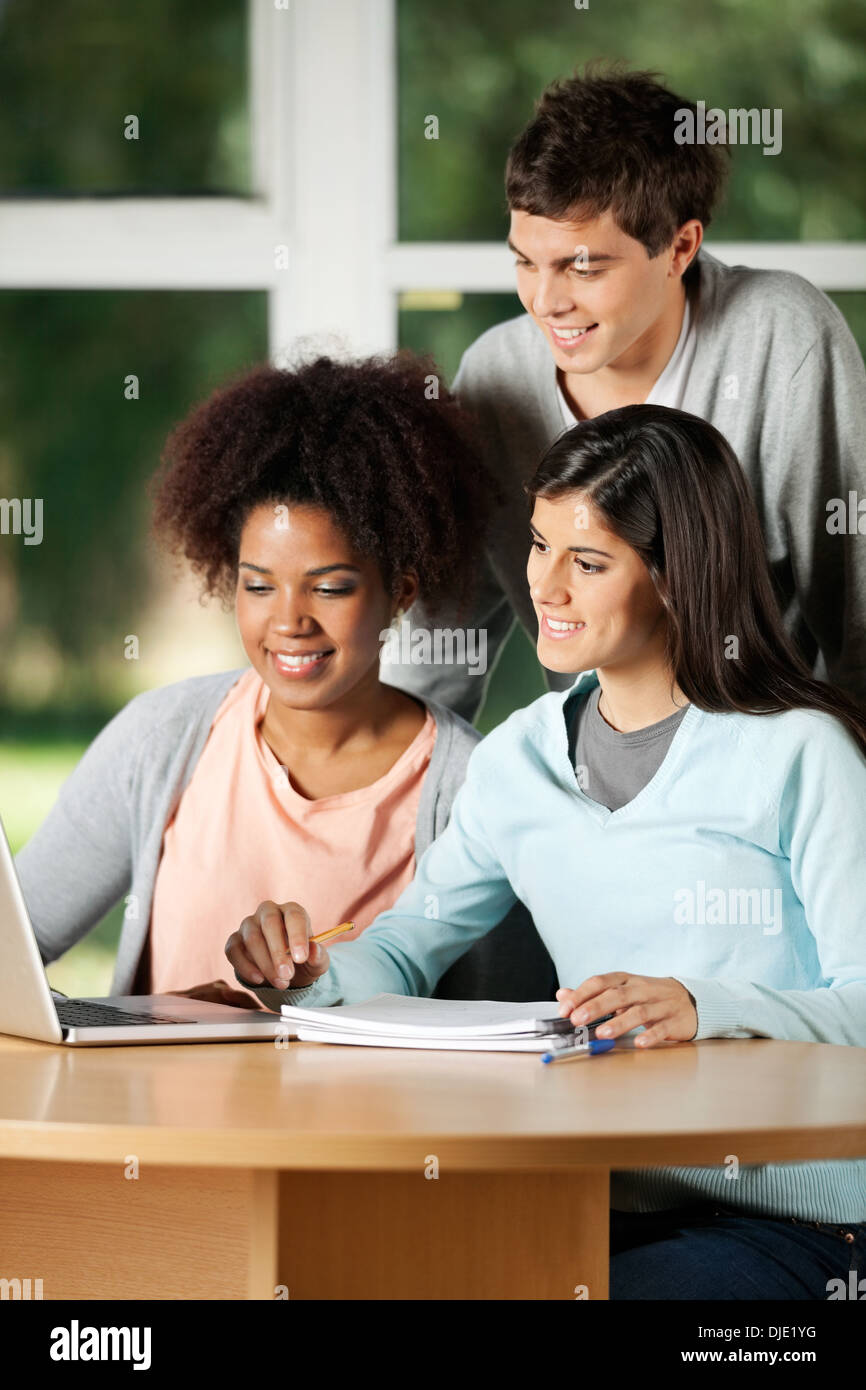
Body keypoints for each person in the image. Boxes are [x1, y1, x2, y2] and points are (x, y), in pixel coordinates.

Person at [227, 404, 866, 1299]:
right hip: (588, 1196)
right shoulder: (517, 761)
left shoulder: (802, 753)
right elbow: (409, 947)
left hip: (802, 1228)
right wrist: (304, 975)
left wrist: (702, 1005)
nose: (547, 588)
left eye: (589, 561)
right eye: (538, 546)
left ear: (678, 574)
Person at [15, 351, 557, 1008]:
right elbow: (18, 941)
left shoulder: (474, 788)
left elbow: (508, 1031)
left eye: (329, 588)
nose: (289, 621)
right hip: (160, 1113)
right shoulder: (162, 738)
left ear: (401, 593)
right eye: (258, 586)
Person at [381, 63, 866, 721]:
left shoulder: (780, 336)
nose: (546, 302)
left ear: (679, 246)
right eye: (526, 262)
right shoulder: (496, 376)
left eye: (583, 266)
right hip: (603, 769)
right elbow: (438, 654)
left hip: (770, 769)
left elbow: (857, 619)